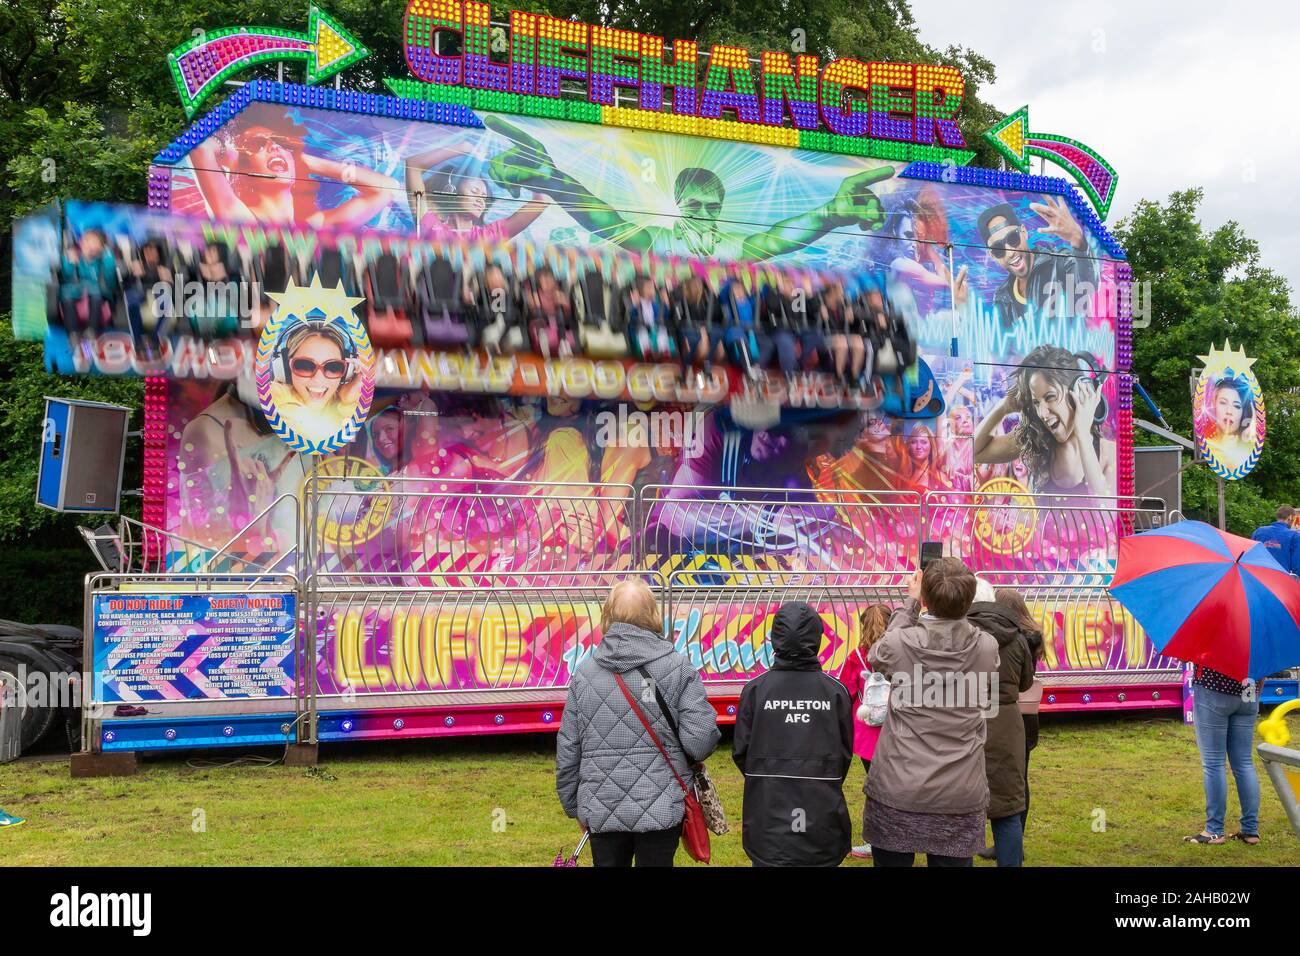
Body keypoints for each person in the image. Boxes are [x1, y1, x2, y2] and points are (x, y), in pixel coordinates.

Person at [556, 580, 719, 867]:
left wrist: (575, 806)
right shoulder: (678, 667)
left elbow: (569, 748)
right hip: (662, 804)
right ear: (652, 614)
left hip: (601, 805)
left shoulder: (584, 674)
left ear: (608, 615)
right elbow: (700, 741)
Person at [862, 558, 999, 867]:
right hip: (959, 791)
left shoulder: (900, 643)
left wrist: (909, 604)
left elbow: (878, 654)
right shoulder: (987, 647)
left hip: (899, 788)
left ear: (924, 598)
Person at [732, 602, 853, 867]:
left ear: (775, 639)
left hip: (770, 821)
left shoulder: (757, 690)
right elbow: (844, 753)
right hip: (817, 818)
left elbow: (742, 751)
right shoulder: (833, 692)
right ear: (817, 638)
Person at [974, 345, 1115, 496]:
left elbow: (1105, 511)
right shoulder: (1036, 442)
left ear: (1079, 392)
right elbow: (973, 453)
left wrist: (1083, 435)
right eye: (1036, 403)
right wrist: (1003, 407)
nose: (1042, 413)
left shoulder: (1110, 453)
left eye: (1050, 397)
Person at [966, 580, 1037, 866]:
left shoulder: (961, 635)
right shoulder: (1017, 636)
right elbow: (1025, 682)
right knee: (1007, 808)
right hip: (1006, 725)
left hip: (966, 720)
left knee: (962, 808)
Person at [976, 199, 1098, 328]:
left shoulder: (1059, 263)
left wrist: (1078, 240)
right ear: (992, 256)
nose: (1010, 252)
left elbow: (1089, 284)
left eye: (1013, 238)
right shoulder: (1002, 298)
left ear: (1023, 232)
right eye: (998, 249)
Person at [1185, 664, 1261, 846]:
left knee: (1214, 764)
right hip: (1249, 689)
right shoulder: (1256, 635)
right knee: (1244, 763)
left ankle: (1214, 830)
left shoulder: (1211, 633)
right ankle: (1250, 830)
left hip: (1213, 688)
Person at [837, 604, 890, 858]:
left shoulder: (856, 657)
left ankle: (877, 841)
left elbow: (844, 693)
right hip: (898, 730)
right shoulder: (900, 654)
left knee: (875, 788)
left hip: (867, 734)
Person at [1251, 506, 1300, 574]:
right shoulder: (1294, 536)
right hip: (1280, 579)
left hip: (1257, 576)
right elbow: (1297, 565)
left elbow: (1251, 555)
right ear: (1290, 517)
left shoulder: (1259, 531)